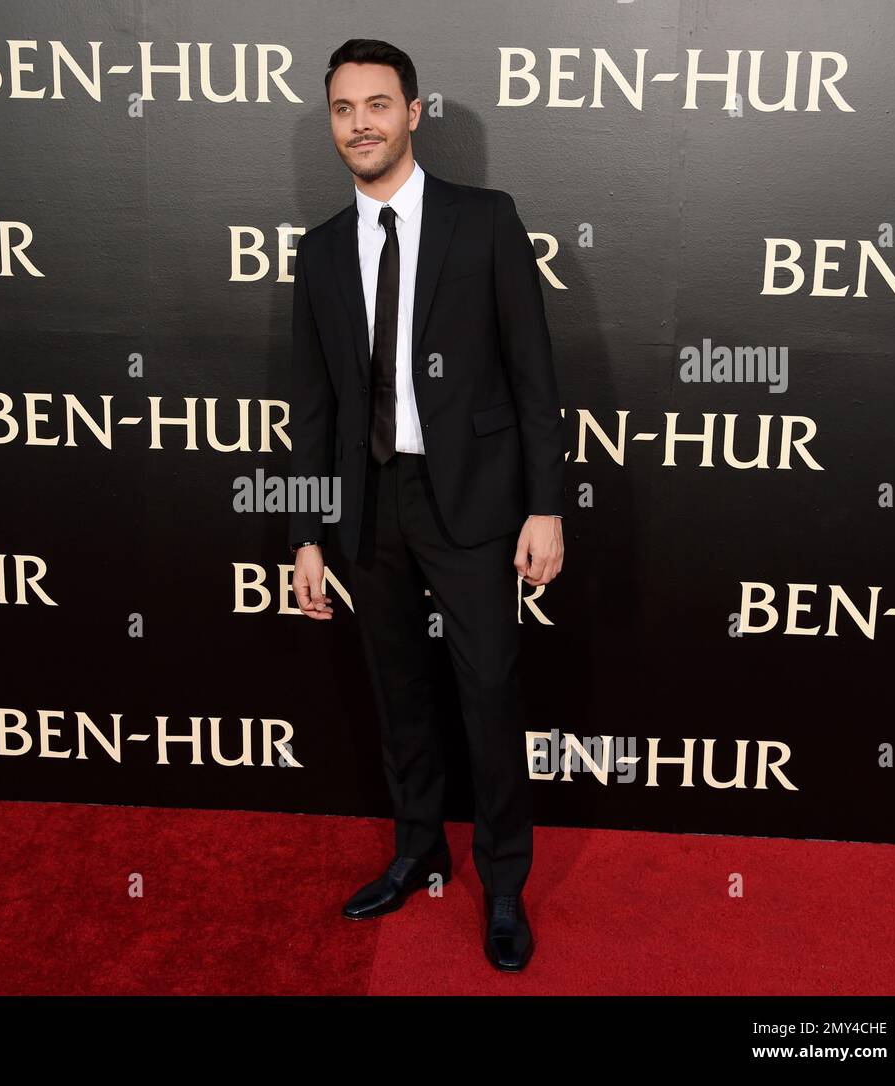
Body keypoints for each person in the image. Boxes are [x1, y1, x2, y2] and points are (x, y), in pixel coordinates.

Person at [288, 38, 565, 972]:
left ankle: (504, 885)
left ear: (413, 112)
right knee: (399, 692)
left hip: (477, 502)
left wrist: (545, 506)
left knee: (488, 694)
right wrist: (309, 532)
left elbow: (534, 377)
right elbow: (313, 405)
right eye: (342, 108)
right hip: (370, 504)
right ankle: (416, 851)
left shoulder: (484, 221)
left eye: (376, 104)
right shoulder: (322, 251)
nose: (359, 123)